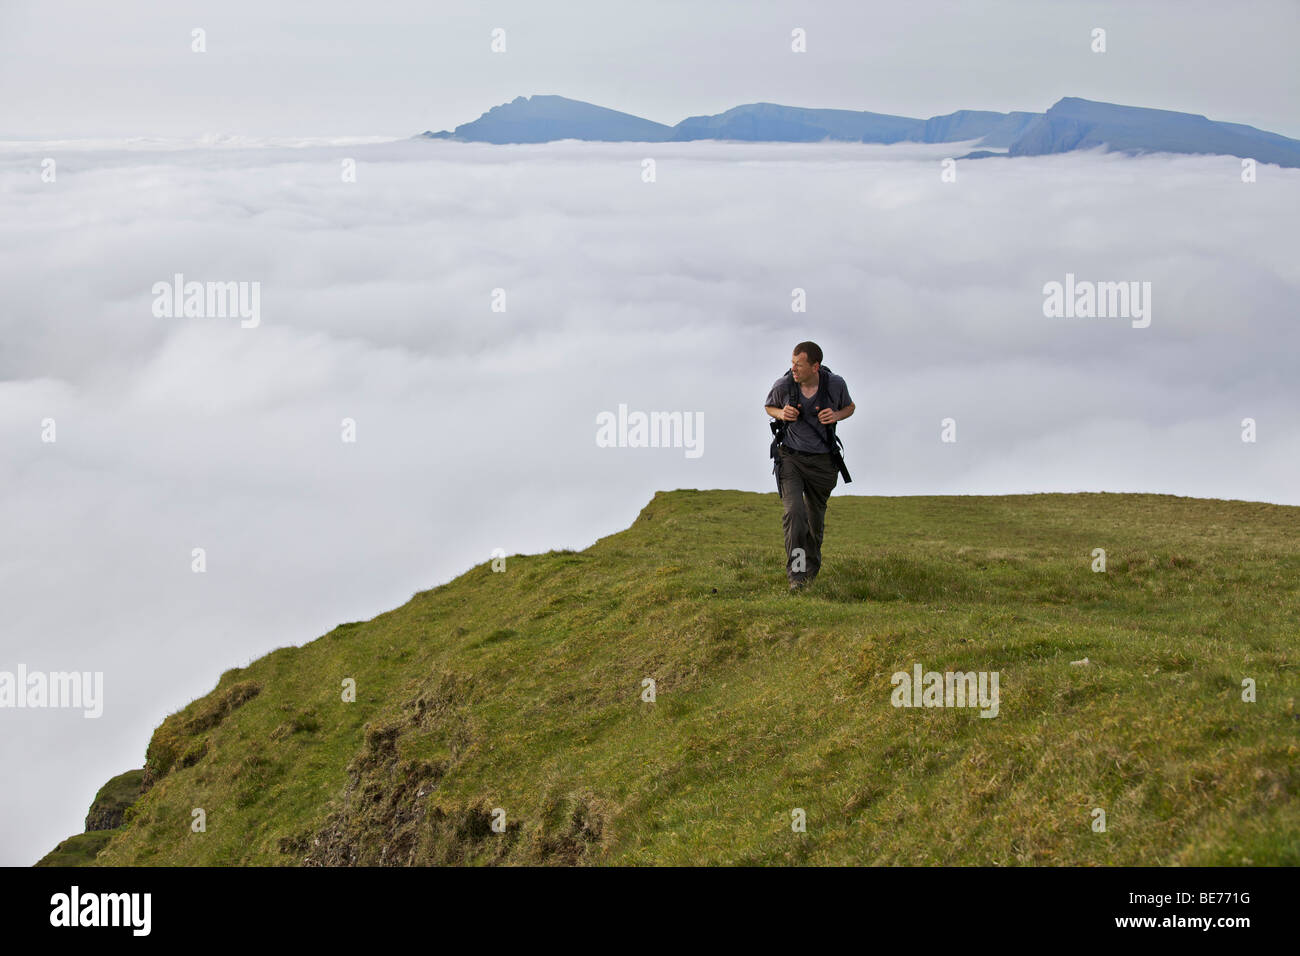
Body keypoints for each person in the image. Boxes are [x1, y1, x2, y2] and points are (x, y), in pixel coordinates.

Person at [763, 342, 855, 591]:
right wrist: (781, 414)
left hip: (823, 462)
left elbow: (850, 407)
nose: (793, 369)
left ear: (815, 367)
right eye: (792, 363)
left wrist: (836, 415)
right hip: (791, 459)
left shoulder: (835, 384)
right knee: (795, 514)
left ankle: (810, 573)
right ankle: (797, 576)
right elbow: (768, 406)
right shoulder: (784, 385)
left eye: (798, 365)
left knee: (814, 521)